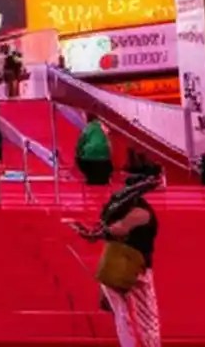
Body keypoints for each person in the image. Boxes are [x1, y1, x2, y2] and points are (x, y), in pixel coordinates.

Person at [68, 175, 161, 346]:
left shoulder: (119, 211)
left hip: (114, 266)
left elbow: (112, 230)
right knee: (145, 318)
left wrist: (94, 233)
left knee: (123, 316)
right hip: (134, 271)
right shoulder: (141, 212)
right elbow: (118, 229)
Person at [76, 114, 114, 186]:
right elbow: (110, 144)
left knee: (81, 157)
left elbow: (80, 143)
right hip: (104, 159)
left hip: (89, 158)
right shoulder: (104, 127)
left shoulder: (87, 128)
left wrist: (78, 156)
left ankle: (90, 175)